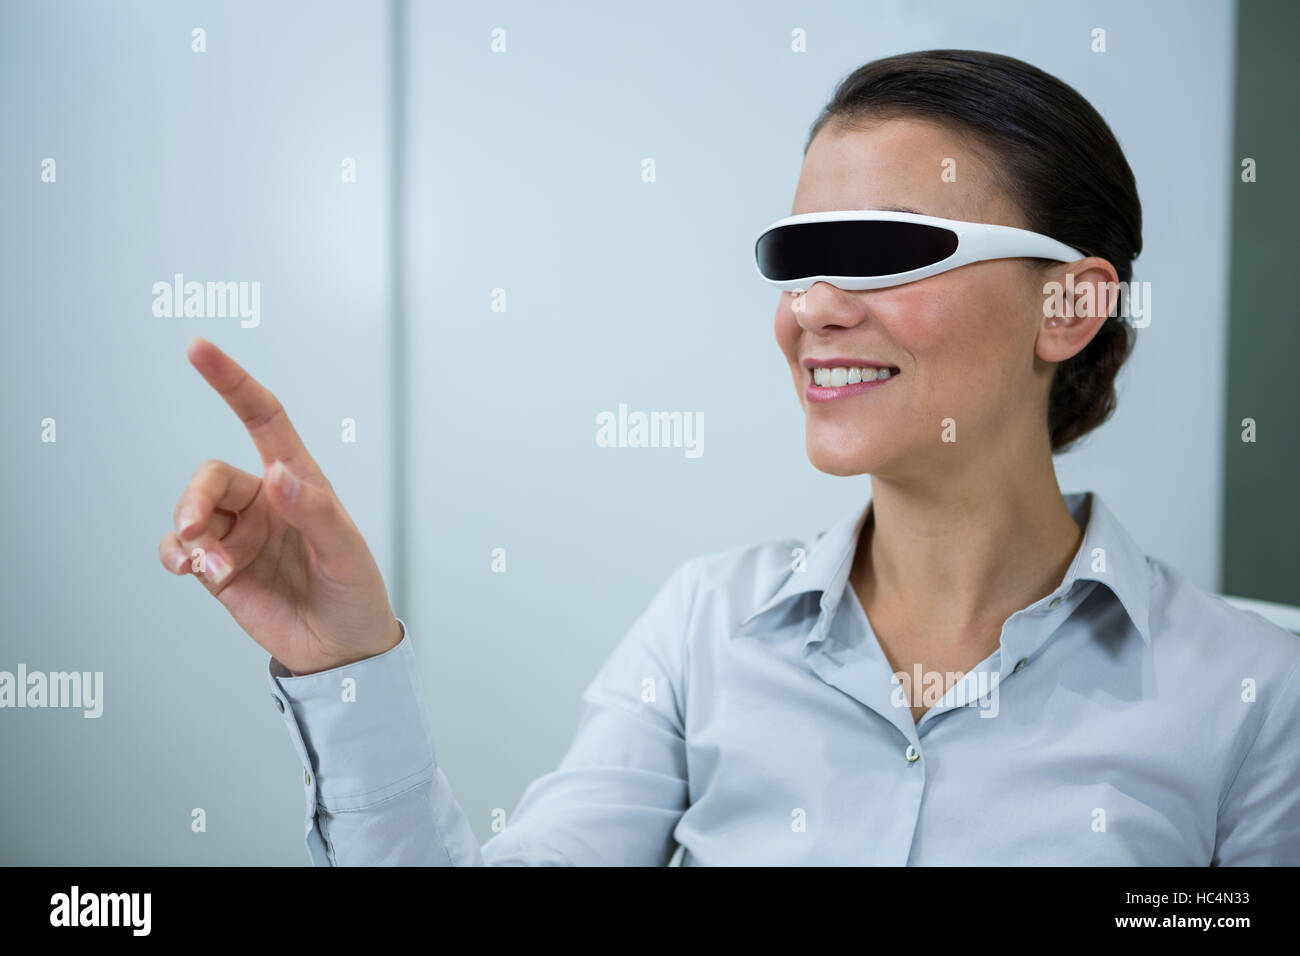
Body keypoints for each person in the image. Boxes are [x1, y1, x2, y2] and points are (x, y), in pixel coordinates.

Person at [159, 50, 1300, 865]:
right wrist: (345, 662)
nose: (811, 309)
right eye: (798, 259)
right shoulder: (703, 625)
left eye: (880, 251)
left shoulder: (1256, 699)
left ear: (1069, 305)